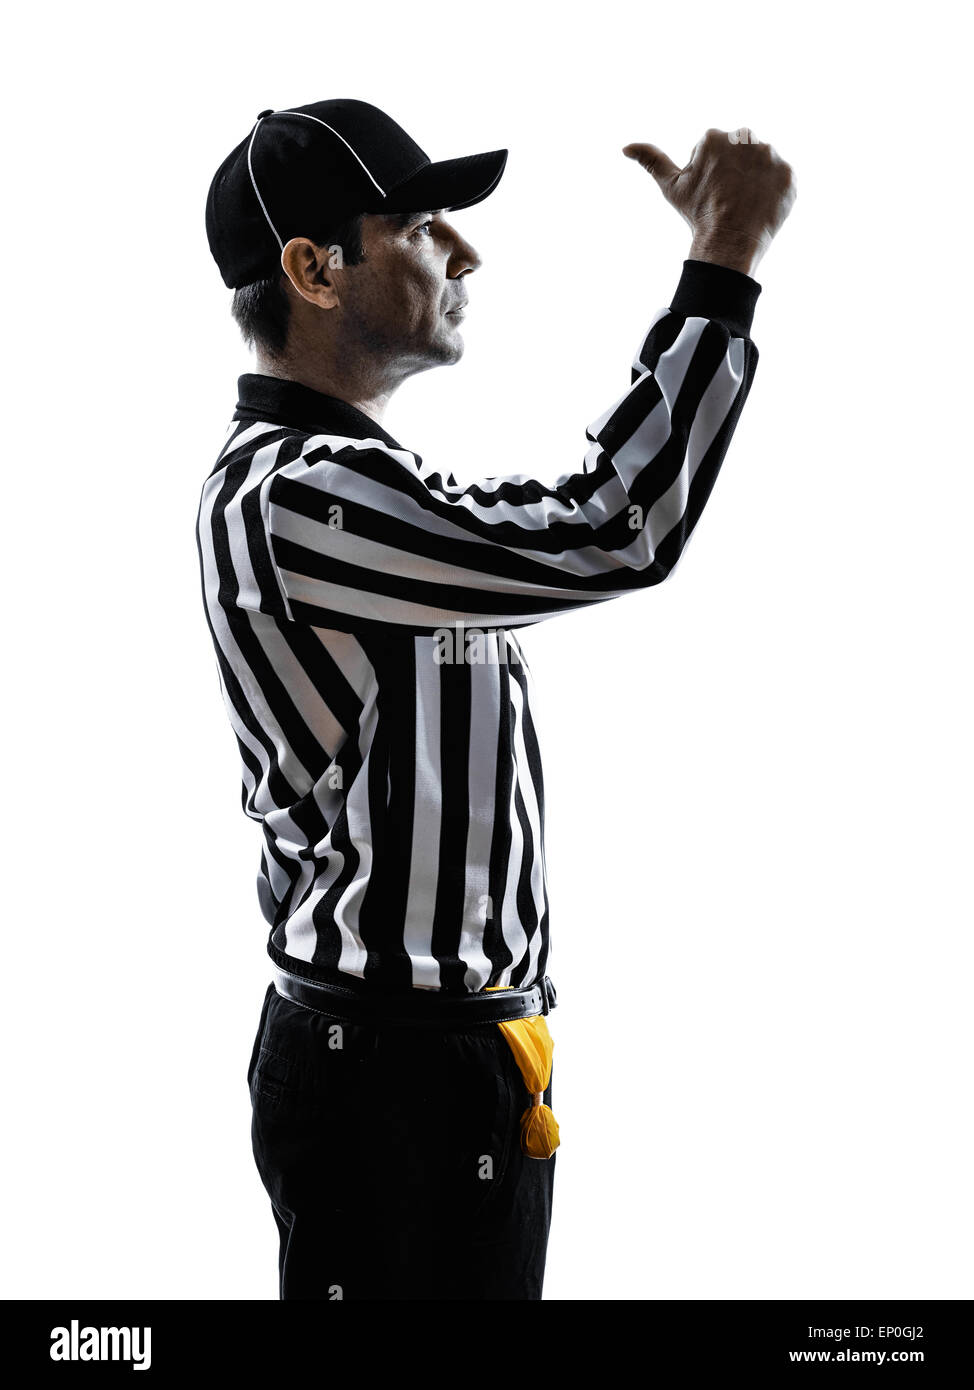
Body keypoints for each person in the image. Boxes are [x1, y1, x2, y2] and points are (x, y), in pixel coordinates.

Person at [197, 98, 796, 1301]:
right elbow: (613, 526)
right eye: (422, 226)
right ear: (315, 270)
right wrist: (720, 268)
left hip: (451, 1062)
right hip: (389, 1075)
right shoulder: (297, 500)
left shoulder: (363, 487)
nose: (464, 255)